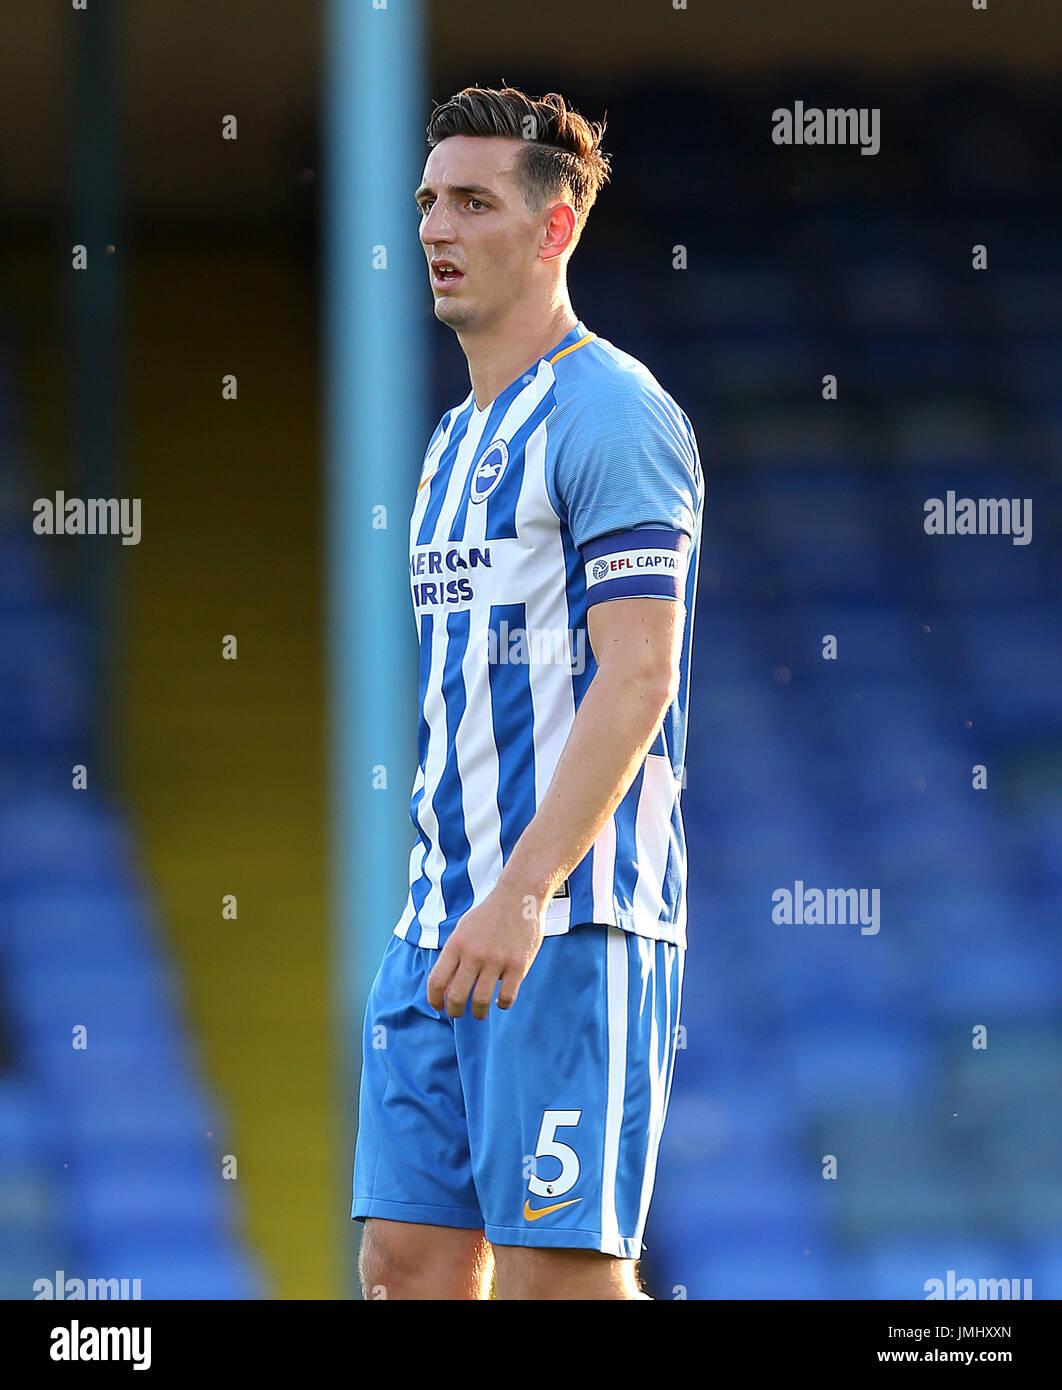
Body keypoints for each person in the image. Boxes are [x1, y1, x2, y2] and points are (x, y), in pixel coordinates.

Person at [352, 84, 704, 1300]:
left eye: (472, 202)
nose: (434, 229)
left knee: (561, 1279)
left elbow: (640, 671)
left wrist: (524, 889)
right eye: (427, 202)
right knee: (405, 1266)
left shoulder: (613, 413)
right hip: (438, 924)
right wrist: (464, 898)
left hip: (565, 921)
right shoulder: (452, 443)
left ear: (555, 228)